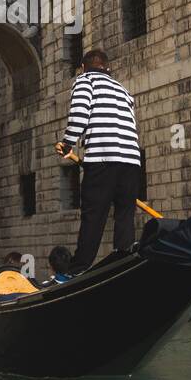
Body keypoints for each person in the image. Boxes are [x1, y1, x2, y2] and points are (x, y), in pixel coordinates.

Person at [55, 48, 142, 274]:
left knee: (94, 216)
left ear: (83, 67)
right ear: (107, 67)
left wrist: (66, 144)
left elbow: (80, 114)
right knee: (125, 216)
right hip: (132, 161)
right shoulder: (124, 90)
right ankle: (123, 264)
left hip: (102, 160)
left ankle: (78, 270)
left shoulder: (85, 81)